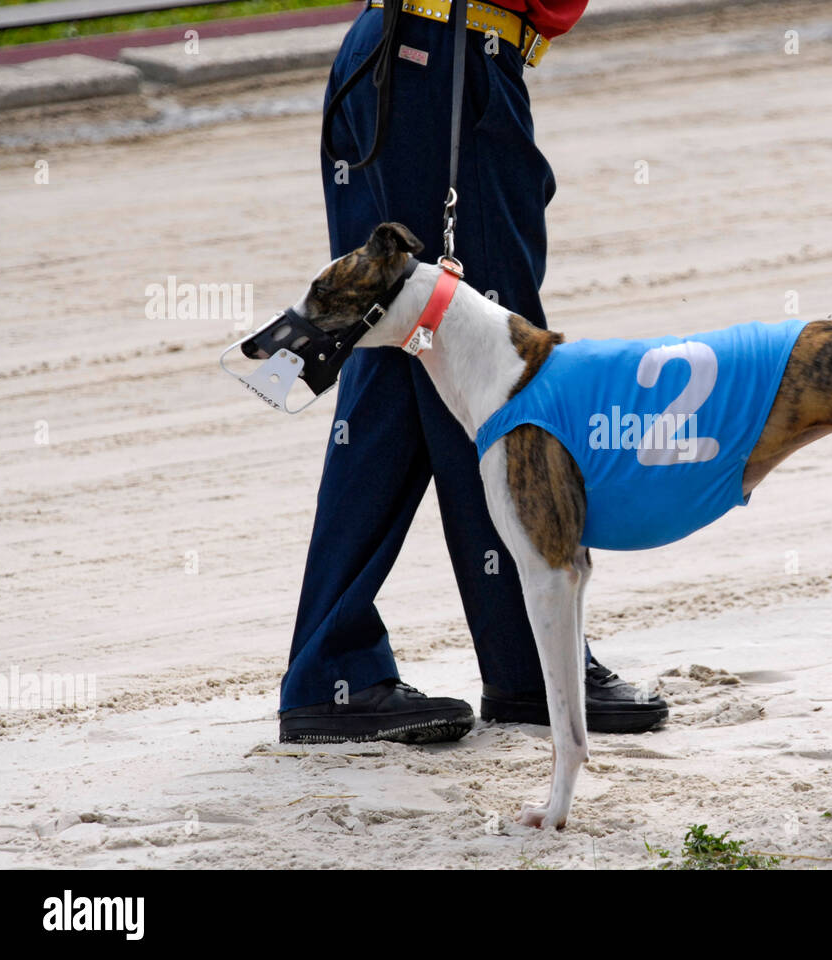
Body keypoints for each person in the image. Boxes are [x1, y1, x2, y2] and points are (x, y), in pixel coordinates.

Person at [279, 0, 667, 744]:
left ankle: (339, 673)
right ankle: (518, 667)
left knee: (410, 354)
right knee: (491, 359)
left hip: (417, 56)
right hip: (445, 60)